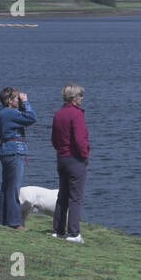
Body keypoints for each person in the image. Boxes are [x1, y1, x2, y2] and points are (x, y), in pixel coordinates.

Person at [50, 83, 90, 242]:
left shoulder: (58, 114)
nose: (82, 98)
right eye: (80, 95)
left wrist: (61, 150)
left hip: (62, 158)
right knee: (76, 197)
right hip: (75, 159)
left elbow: (54, 139)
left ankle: (58, 230)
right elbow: (80, 139)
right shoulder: (76, 114)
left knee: (63, 195)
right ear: (74, 98)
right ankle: (73, 233)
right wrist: (84, 155)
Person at [0, 87, 37, 229]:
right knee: (14, 188)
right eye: (15, 99)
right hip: (14, 152)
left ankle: (2, 219)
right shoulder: (10, 113)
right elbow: (32, 118)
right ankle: (14, 222)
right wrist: (25, 102)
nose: (17, 101)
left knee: (6, 187)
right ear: (9, 100)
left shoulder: (1, 112)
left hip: (5, 151)